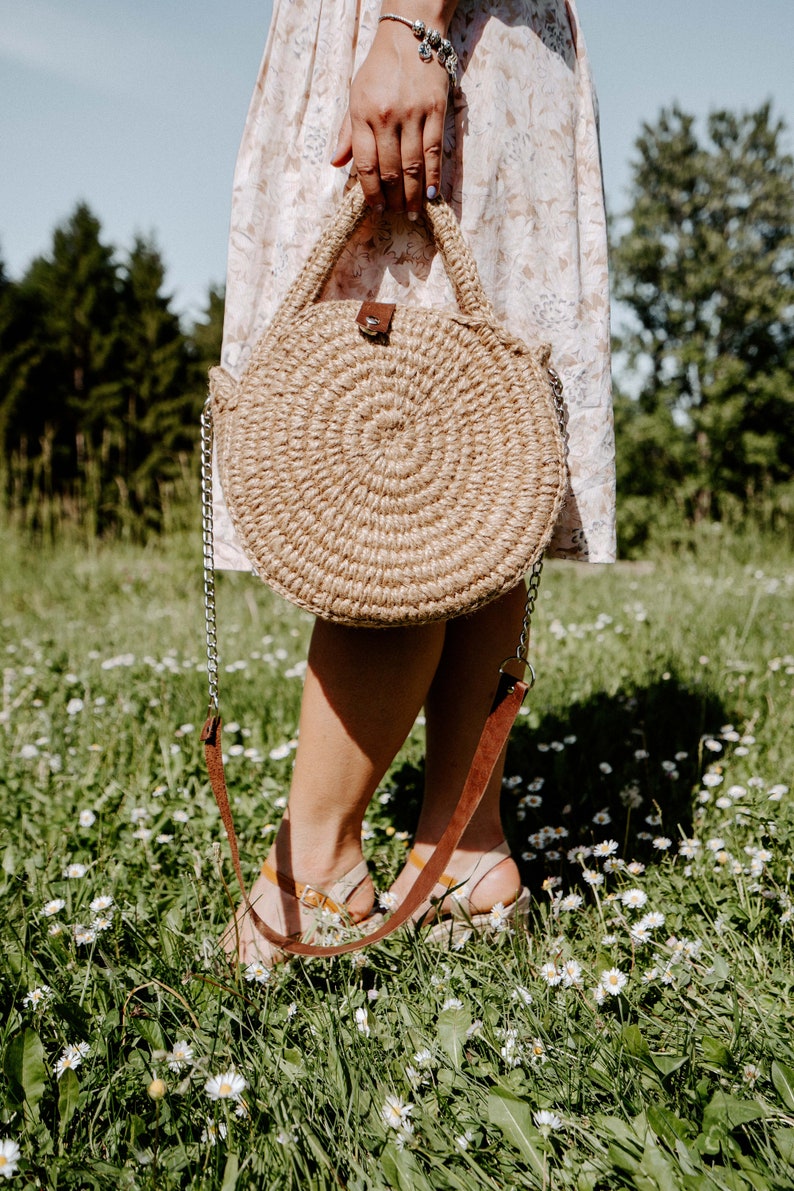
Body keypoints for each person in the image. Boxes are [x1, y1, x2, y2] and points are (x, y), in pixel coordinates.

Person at [215, 0, 615, 964]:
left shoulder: (409, 36)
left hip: (420, 33)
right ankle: (464, 849)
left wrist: (409, 28)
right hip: (491, 39)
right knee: (476, 457)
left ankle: (313, 868)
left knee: (390, 466)